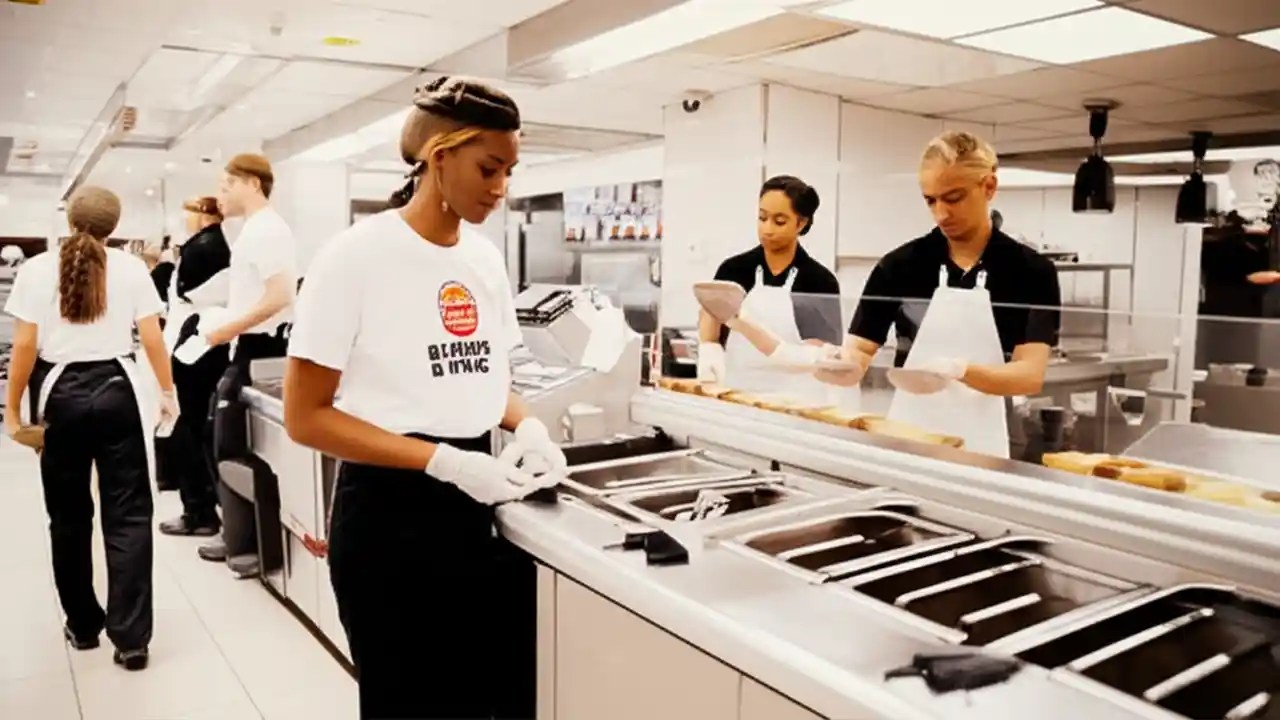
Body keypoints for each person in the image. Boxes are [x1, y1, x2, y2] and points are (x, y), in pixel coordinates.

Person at [283, 76, 560, 720]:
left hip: (477, 513)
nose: (501, 188)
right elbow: (307, 416)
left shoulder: (485, 261)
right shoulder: (355, 257)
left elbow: (487, 382)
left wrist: (529, 428)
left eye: (510, 171)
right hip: (389, 520)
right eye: (489, 169)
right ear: (439, 158)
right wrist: (445, 461)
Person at [3, 186, 178, 671]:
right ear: (114, 226)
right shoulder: (132, 268)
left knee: (69, 515)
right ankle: (132, 639)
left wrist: (12, 410)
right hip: (120, 390)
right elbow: (152, 338)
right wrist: (167, 393)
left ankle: (82, 625)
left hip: (59, 394)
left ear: (69, 219)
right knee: (128, 513)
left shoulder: (37, 269)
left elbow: (23, 348)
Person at [824, 131, 1061, 456]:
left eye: (953, 198)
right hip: (907, 435)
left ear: (989, 187)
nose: (940, 213)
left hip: (983, 439)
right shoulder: (898, 266)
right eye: (930, 200)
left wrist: (961, 370)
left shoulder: (1031, 271)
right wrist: (829, 363)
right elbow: (860, 354)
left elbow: (1029, 375)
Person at [190, 156, 297, 571]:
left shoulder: (268, 230)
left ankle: (247, 541)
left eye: (226, 185)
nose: (220, 194)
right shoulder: (253, 230)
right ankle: (238, 536)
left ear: (252, 183)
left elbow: (279, 295)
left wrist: (225, 329)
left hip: (260, 349)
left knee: (230, 442)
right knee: (222, 439)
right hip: (246, 346)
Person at [697, 175, 842, 402]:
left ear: (801, 223)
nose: (767, 229)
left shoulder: (819, 280)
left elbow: (819, 353)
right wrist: (709, 348)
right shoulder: (734, 269)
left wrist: (755, 333)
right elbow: (711, 314)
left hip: (797, 400)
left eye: (779, 221)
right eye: (762, 218)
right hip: (738, 393)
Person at [158, 197, 232, 536]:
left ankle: (198, 512)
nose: (184, 219)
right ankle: (205, 508)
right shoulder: (225, 244)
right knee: (200, 428)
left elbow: (187, 295)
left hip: (195, 345)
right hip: (209, 344)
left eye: (187, 213)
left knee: (188, 427)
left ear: (203, 215)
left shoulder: (202, 247)